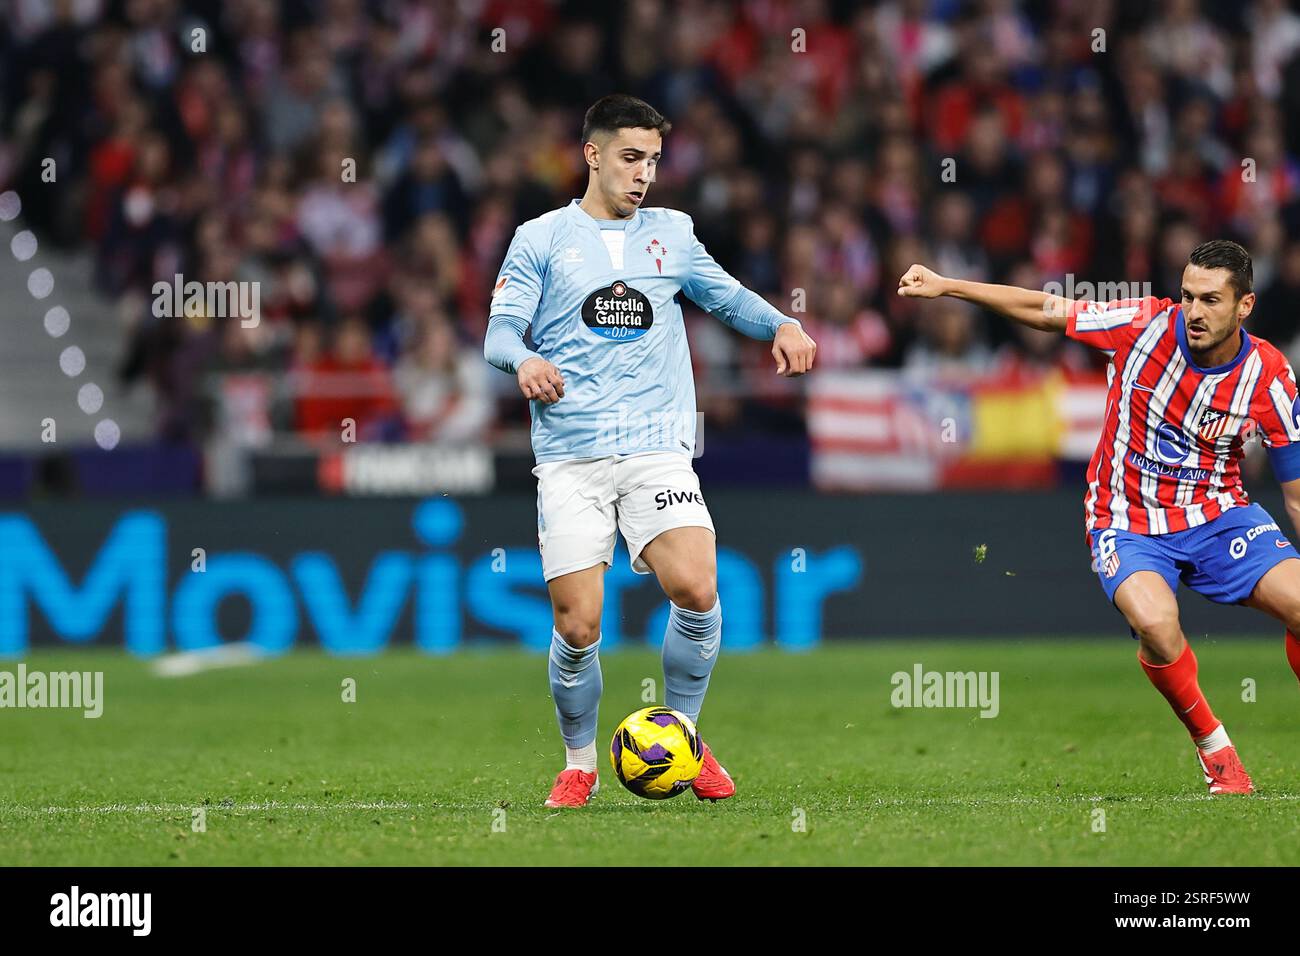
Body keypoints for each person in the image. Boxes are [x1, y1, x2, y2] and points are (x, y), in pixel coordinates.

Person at [484, 94, 817, 807]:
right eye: (631, 158)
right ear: (593, 154)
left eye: (654, 161)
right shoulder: (540, 238)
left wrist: (782, 322)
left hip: (656, 448)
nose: (644, 175)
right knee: (578, 625)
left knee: (697, 587)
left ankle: (684, 741)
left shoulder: (672, 232)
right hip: (572, 456)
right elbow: (499, 336)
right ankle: (579, 763)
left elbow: (727, 298)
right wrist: (525, 364)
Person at [897, 240, 1300, 795]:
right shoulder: (1141, 325)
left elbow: (1295, 493)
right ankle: (1217, 752)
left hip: (1219, 516)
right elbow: (1048, 309)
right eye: (1187, 296)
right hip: (1125, 517)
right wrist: (951, 285)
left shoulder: (1269, 376)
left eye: (1211, 299)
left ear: (1245, 306)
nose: (1195, 312)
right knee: (1157, 626)